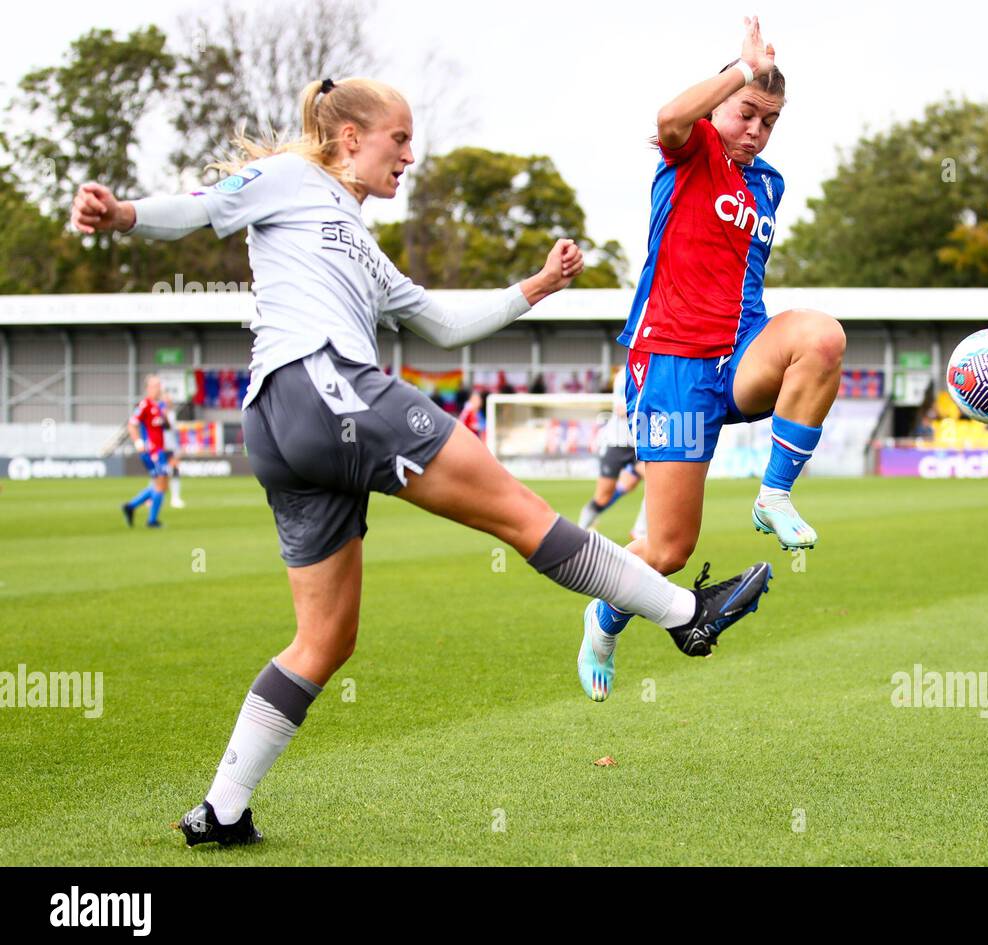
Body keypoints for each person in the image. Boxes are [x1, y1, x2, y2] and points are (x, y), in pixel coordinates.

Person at [71, 75, 773, 848]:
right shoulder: (289, 176)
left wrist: (533, 288)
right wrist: (125, 216)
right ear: (350, 138)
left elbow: (439, 322)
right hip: (319, 385)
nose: (410, 155)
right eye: (399, 140)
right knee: (520, 510)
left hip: (285, 431)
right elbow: (198, 209)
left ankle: (223, 810)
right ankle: (686, 616)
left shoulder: (359, 245)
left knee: (326, 641)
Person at [575, 18, 844, 703]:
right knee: (667, 551)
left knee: (822, 336)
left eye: (769, 120)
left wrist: (752, 90)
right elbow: (669, 116)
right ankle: (602, 622)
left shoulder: (770, 185)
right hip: (674, 364)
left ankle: (775, 495)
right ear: (721, 106)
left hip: (742, 349)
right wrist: (739, 71)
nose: (755, 129)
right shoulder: (691, 149)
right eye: (746, 113)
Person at [579, 365, 644, 530]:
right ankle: (581, 529)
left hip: (639, 444)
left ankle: (641, 531)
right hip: (617, 443)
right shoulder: (625, 374)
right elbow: (621, 409)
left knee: (657, 482)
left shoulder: (654, 369)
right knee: (603, 497)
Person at [122, 374, 171, 528]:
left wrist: (166, 411)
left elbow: (167, 426)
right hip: (152, 451)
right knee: (161, 484)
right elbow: (132, 424)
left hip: (159, 450)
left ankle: (131, 506)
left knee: (162, 484)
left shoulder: (158, 406)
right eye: (156, 385)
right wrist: (138, 442)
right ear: (148, 388)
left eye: (159, 385)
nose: (159, 389)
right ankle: (152, 520)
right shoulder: (145, 404)